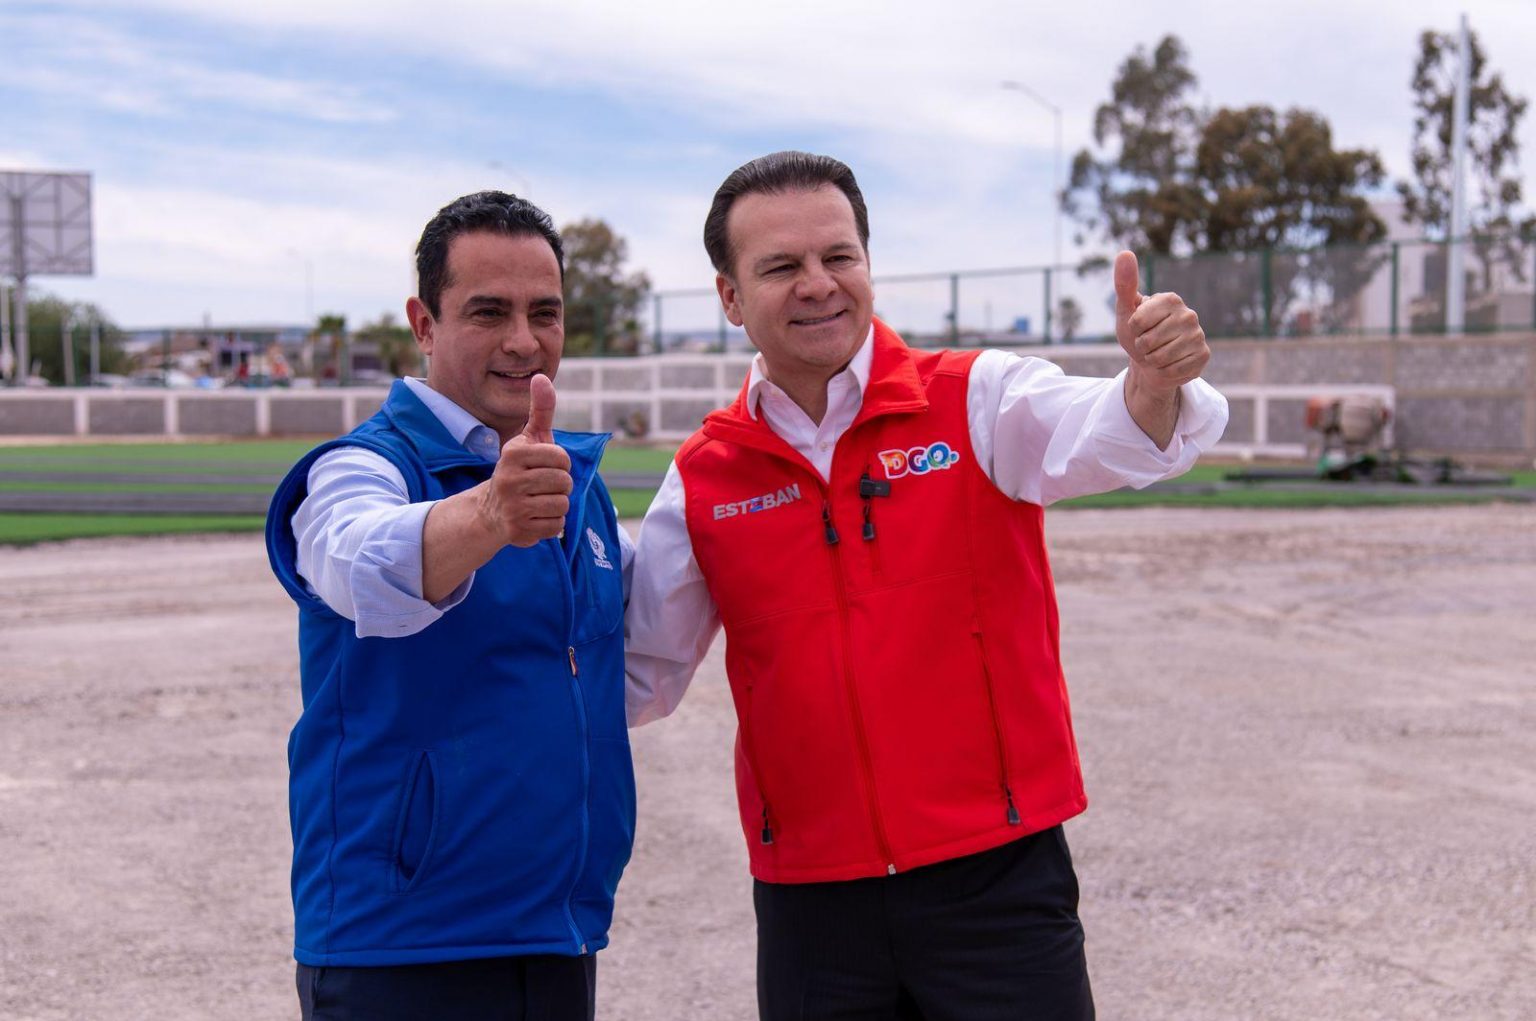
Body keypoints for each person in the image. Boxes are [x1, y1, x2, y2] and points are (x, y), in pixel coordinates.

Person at [623, 152, 1229, 1020]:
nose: (818, 284)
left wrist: (1154, 384)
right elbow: (638, 672)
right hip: (811, 903)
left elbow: (1113, 433)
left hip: (999, 884)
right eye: (781, 266)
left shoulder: (977, 399)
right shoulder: (703, 477)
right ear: (730, 298)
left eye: (839, 257)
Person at [265, 191, 634, 1021]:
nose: (523, 339)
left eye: (545, 312)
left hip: (557, 937)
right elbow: (357, 561)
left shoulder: (578, 488)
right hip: (400, 949)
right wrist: (487, 516)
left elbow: (625, 674)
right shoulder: (365, 467)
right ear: (423, 324)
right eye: (487, 311)